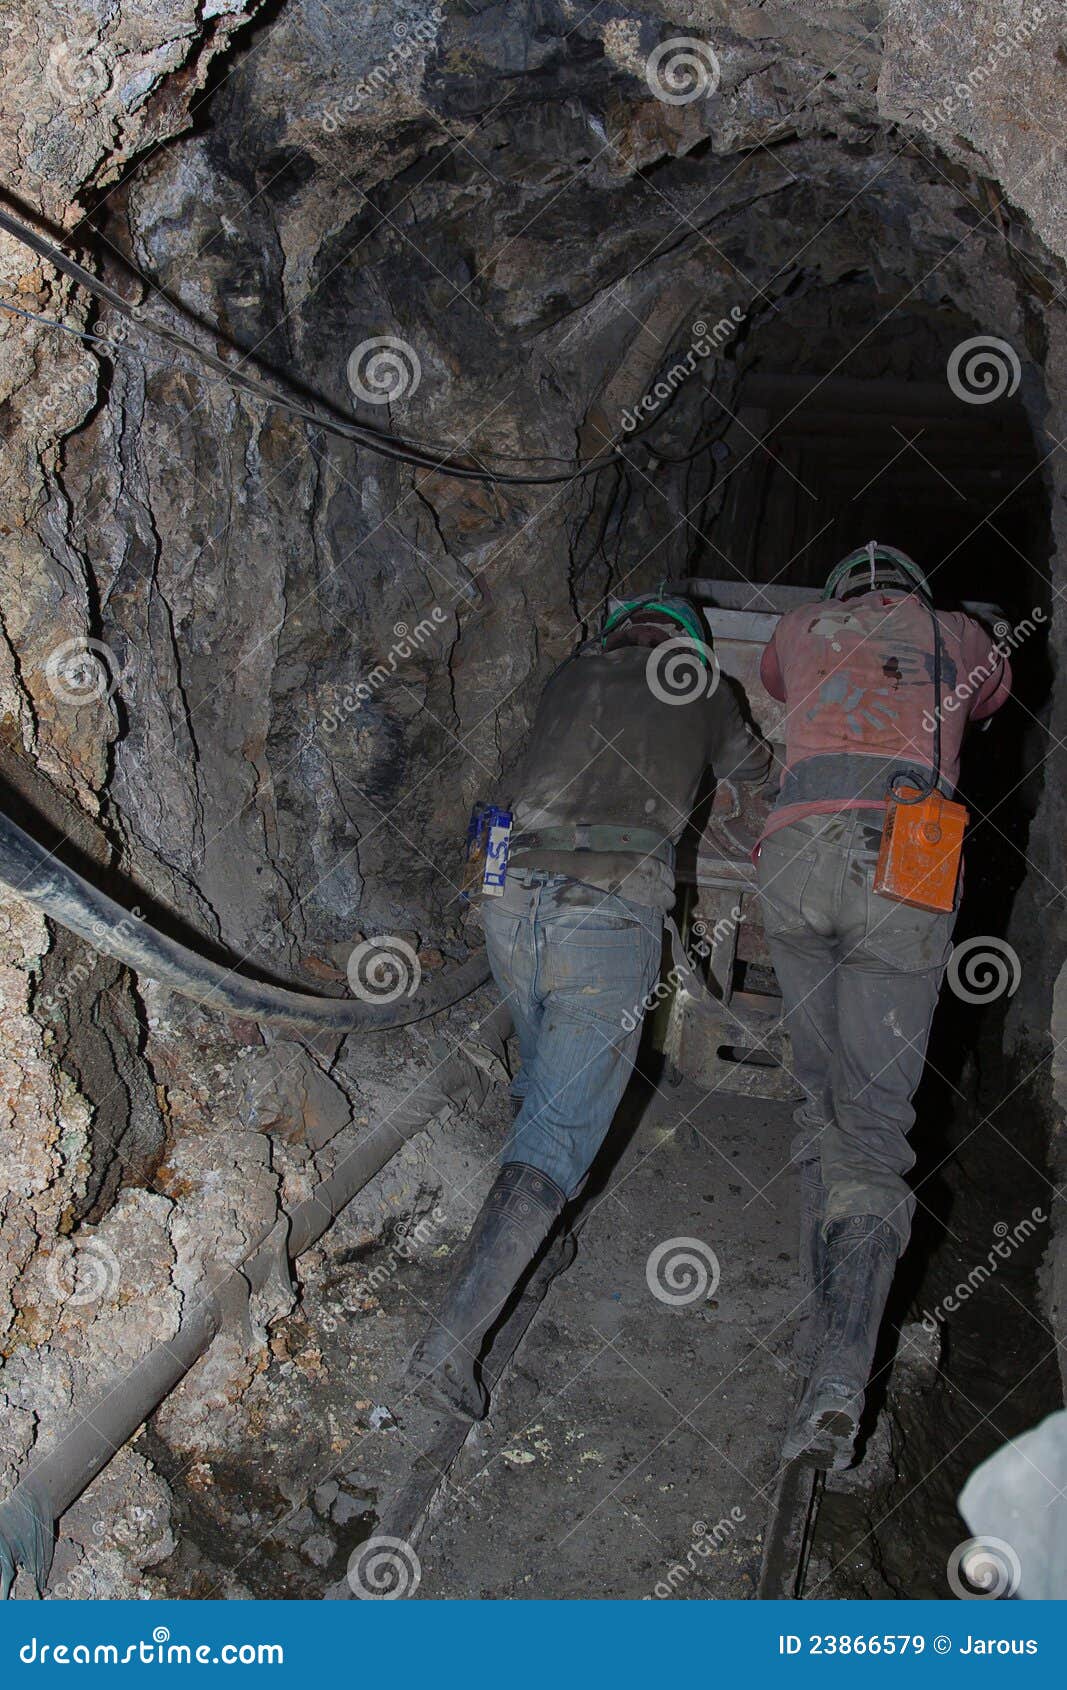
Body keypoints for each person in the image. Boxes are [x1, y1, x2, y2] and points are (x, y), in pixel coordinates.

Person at [409, 591, 770, 1419]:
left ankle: (539, 1240)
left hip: (511, 896)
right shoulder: (705, 688)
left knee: (543, 1077)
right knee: (559, 1131)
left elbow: (514, 782)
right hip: (607, 908)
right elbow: (750, 768)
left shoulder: (570, 677)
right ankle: (446, 1352)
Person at [755, 542, 1011, 1469]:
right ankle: (834, 1377)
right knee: (871, 1122)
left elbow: (780, 685)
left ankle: (821, 1325)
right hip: (907, 854)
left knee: (816, 1100)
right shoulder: (958, 634)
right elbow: (988, 702)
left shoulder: (799, 625)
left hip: (796, 854)